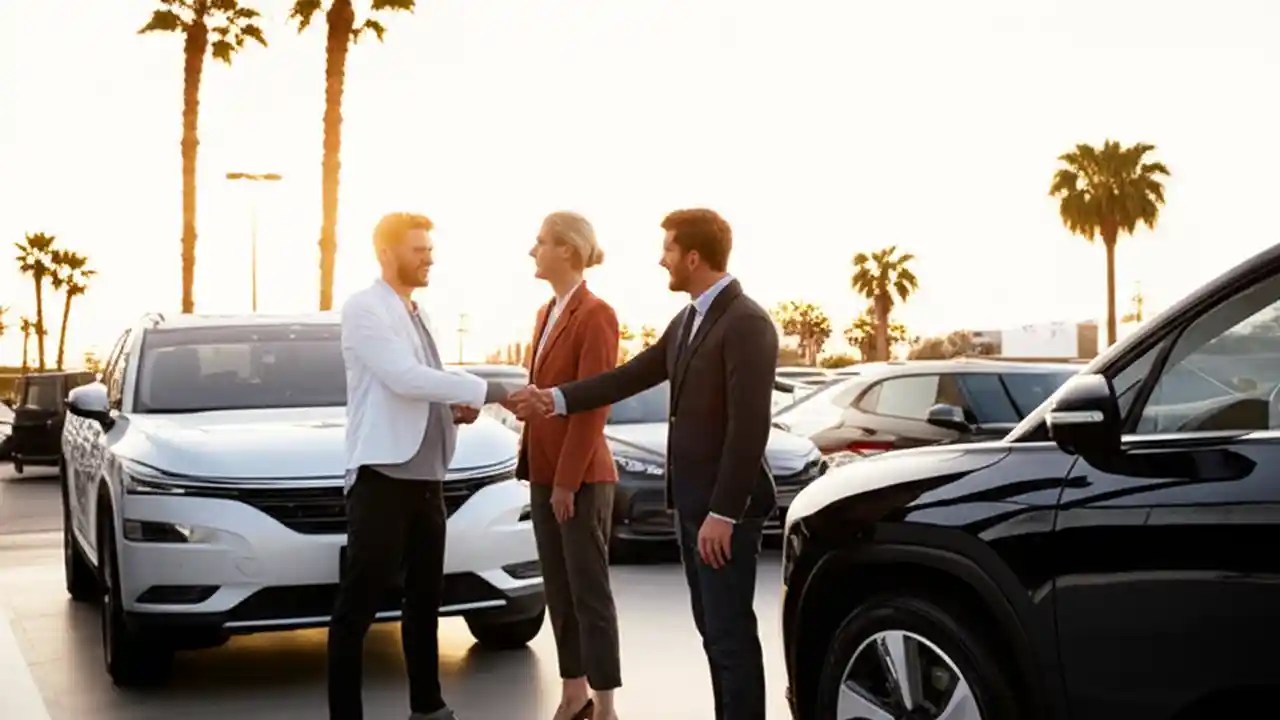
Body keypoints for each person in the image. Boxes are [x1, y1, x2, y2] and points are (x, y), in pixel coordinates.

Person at [513, 208, 778, 720]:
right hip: (695, 506)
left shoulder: (746, 322)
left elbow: (750, 429)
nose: (662, 261)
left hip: (725, 512)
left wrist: (722, 514)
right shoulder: (688, 320)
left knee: (729, 636)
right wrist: (554, 399)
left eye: (670, 251)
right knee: (713, 632)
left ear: (694, 257)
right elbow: (628, 377)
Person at [329, 212, 501, 720]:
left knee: (425, 603)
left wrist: (452, 407)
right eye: (418, 249)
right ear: (386, 254)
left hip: (428, 478)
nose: (429, 257)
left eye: (429, 248)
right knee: (356, 609)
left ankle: (428, 707)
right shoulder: (365, 309)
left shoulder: (415, 312)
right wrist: (486, 391)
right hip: (382, 479)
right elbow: (402, 377)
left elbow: (423, 382)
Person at [515, 212, 624, 720]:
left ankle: (604, 705)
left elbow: (592, 407)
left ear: (566, 250)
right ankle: (573, 693)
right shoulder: (544, 313)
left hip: (580, 479)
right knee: (558, 590)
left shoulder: (596, 314)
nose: (532, 250)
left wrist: (565, 483)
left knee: (589, 592)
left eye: (540, 242)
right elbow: (550, 397)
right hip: (542, 475)